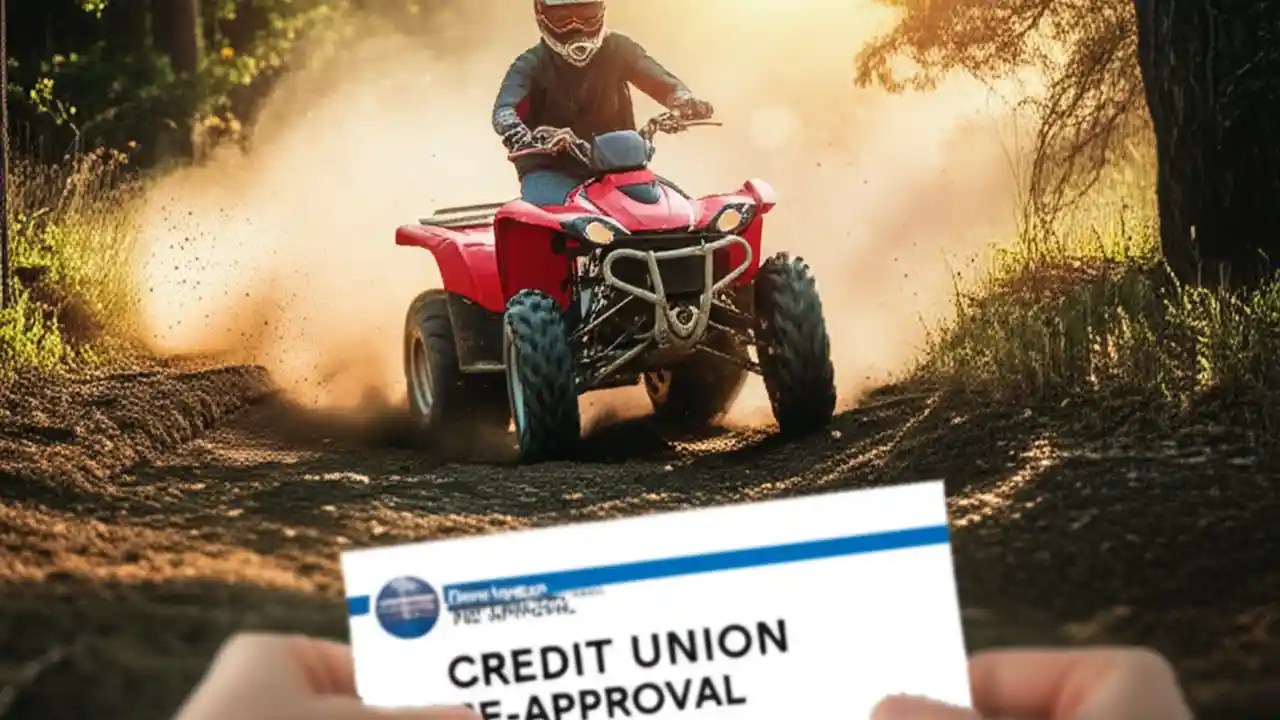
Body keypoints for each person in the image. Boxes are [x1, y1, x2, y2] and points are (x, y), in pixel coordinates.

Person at [175, 633, 1194, 720]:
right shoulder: (525, 89)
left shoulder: (622, 77)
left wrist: (682, 97)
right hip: (550, 203)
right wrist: (534, 135)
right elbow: (510, 119)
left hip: (633, 195)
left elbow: (662, 93)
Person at [491, 0, 714, 207]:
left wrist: (684, 100)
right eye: (562, 16)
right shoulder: (529, 64)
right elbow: (505, 109)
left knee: (678, 212)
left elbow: (658, 79)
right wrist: (516, 131)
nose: (575, 25)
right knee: (552, 215)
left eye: (586, 12)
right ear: (541, 15)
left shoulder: (619, 49)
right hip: (551, 169)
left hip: (620, 167)